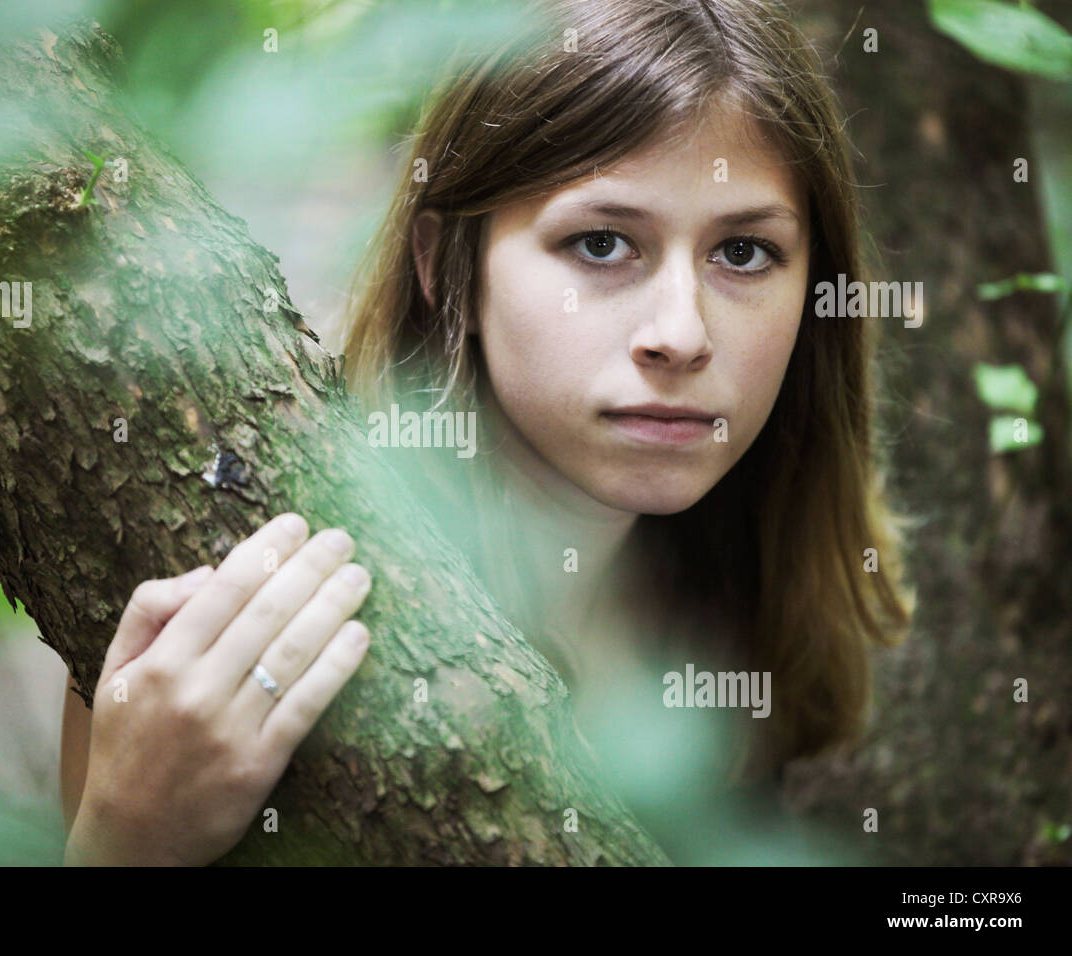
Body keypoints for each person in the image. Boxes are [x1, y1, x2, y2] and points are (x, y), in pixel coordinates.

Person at [62, 0, 915, 866]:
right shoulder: (242, 588)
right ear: (445, 266)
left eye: (742, 255)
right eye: (602, 243)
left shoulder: (748, 613)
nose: (682, 334)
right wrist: (124, 840)